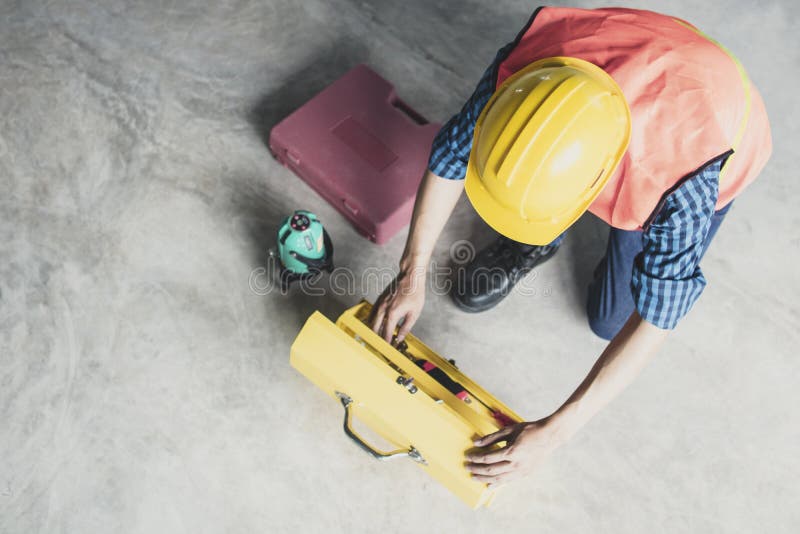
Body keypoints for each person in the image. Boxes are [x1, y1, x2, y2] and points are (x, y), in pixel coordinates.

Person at [369, 6, 771, 488]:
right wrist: (412, 271)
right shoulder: (531, 68)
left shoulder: (681, 180)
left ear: (597, 182)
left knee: (611, 320)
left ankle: (587, 226)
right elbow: (454, 152)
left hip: (718, 128)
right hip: (638, 56)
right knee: (522, 192)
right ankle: (540, 238)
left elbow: (658, 315)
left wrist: (555, 432)